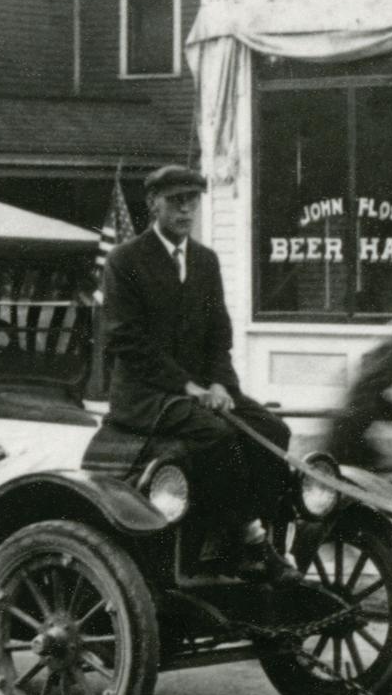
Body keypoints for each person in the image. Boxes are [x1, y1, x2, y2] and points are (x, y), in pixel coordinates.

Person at [100, 164, 294, 577]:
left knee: (274, 430)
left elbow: (218, 338)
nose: (186, 210)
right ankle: (244, 539)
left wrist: (221, 384)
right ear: (153, 204)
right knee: (216, 434)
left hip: (201, 391)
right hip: (146, 395)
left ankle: (261, 540)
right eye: (175, 202)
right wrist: (189, 386)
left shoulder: (205, 261)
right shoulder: (125, 260)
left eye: (192, 201)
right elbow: (127, 342)